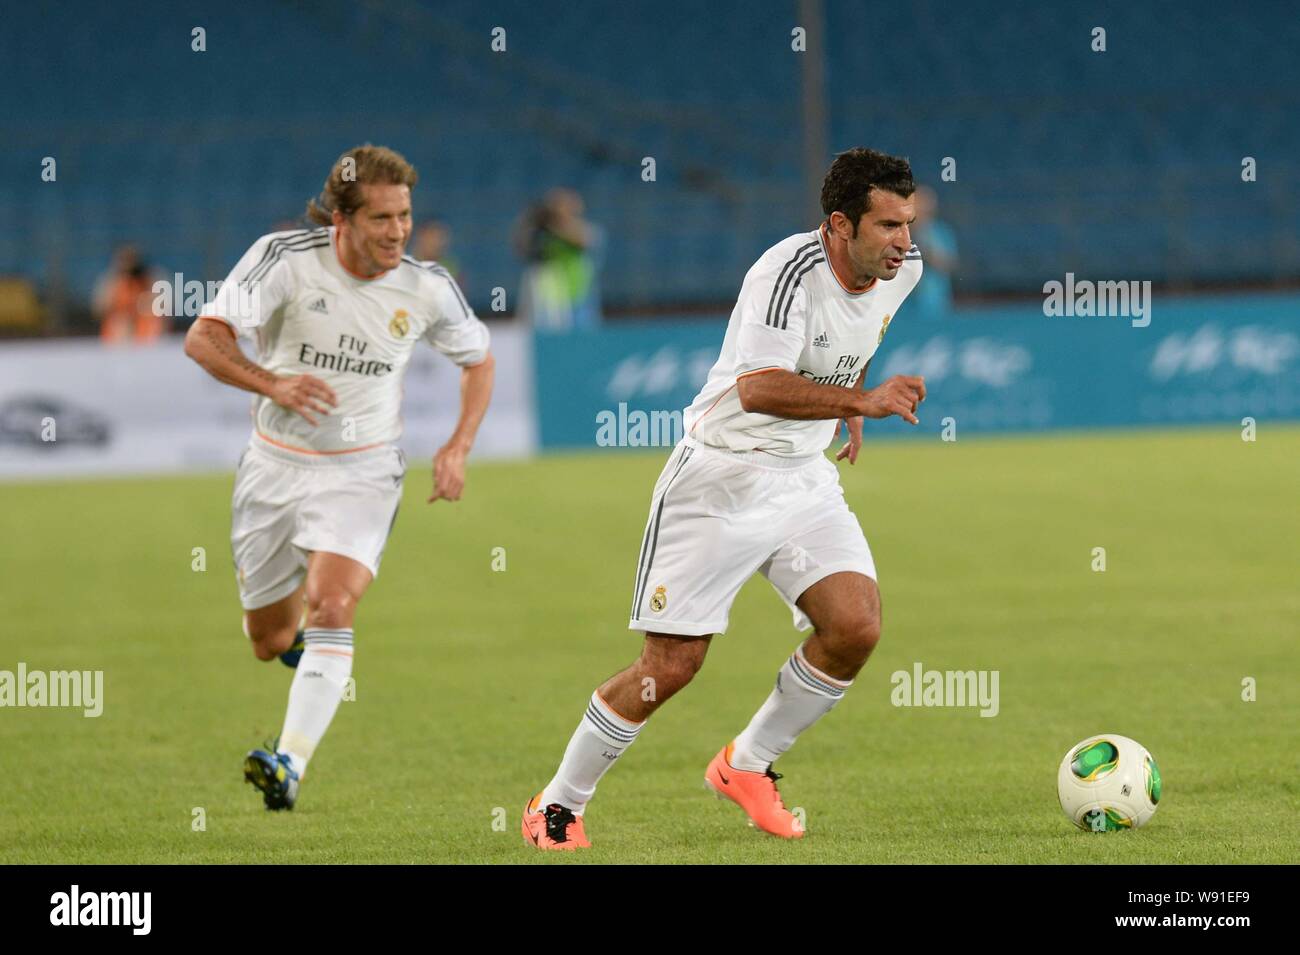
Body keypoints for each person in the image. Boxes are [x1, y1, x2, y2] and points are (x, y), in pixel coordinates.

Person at [522, 147, 926, 849]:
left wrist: (848, 403)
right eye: (889, 225)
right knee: (671, 666)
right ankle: (557, 804)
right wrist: (859, 397)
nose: (906, 241)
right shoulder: (783, 273)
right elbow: (757, 387)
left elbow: (857, 336)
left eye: (908, 222)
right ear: (839, 223)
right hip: (721, 477)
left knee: (855, 626)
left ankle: (747, 765)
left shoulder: (903, 271)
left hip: (803, 480)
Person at [183, 144, 495, 810]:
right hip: (273, 466)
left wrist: (458, 445)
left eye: (404, 215)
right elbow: (203, 339)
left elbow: (480, 359)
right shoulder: (285, 263)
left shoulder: (427, 286)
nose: (397, 231)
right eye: (381, 217)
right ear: (339, 219)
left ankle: (288, 763)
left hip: (364, 471)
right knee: (267, 639)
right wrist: (274, 384)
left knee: (334, 602)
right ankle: (302, 648)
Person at [513, 188, 603, 331]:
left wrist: (554, 225)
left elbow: (583, 241)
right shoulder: (544, 234)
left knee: (584, 337)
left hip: (580, 293)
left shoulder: (580, 229)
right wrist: (529, 220)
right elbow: (521, 248)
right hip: (554, 296)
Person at [92, 244, 163, 343]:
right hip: (116, 337)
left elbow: (163, 309)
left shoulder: (151, 281)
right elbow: (100, 309)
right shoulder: (111, 281)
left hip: (146, 338)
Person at [909, 186, 958, 317]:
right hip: (904, 308)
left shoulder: (940, 233)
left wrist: (924, 251)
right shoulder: (898, 232)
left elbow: (947, 265)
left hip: (934, 305)